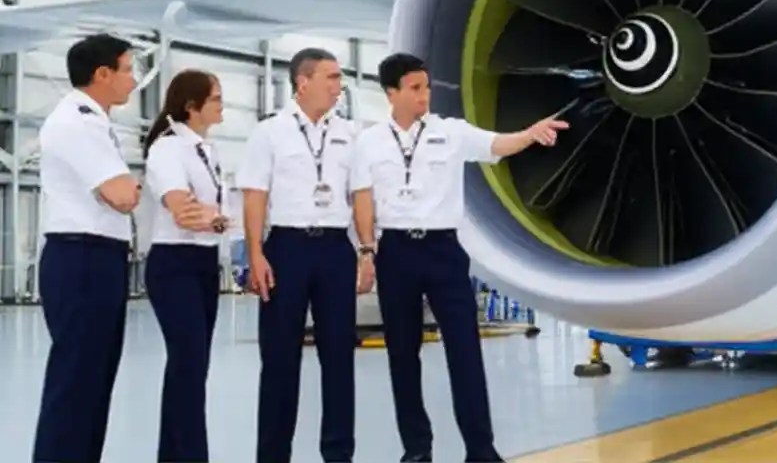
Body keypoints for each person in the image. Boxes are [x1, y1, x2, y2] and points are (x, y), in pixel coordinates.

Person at [351, 53, 567, 463]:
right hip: (395, 252)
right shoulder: (369, 142)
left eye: (427, 87)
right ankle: (417, 449)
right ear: (391, 93)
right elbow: (362, 197)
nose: (424, 95)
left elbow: (497, 144)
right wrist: (366, 252)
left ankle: (480, 450)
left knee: (464, 350)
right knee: (402, 354)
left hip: (444, 252)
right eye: (415, 88)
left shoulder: (450, 133)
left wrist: (531, 133)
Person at [239, 47, 359, 463]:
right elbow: (255, 194)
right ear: (302, 82)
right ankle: (272, 456)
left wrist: (366, 250)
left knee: (340, 356)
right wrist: (255, 253)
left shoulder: (350, 133)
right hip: (286, 249)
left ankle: (339, 453)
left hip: (335, 249)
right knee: (279, 359)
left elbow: (360, 196)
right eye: (331, 77)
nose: (338, 85)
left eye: (339, 77)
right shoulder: (269, 132)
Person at [32, 33, 144, 462]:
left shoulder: (95, 121)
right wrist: (127, 188)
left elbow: (118, 192)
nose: (133, 81)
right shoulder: (77, 120)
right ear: (102, 74)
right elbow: (122, 194)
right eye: (128, 69)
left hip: (98, 257)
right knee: (76, 382)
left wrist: (122, 189)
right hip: (82, 258)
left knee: (94, 383)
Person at [141, 69, 231, 463]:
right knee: (189, 364)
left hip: (204, 262)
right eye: (215, 98)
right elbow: (183, 210)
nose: (222, 104)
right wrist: (220, 219)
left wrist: (215, 218)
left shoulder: (205, 149)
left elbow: (206, 212)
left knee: (191, 369)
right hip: (175, 263)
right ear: (191, 106)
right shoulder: (168, 148)